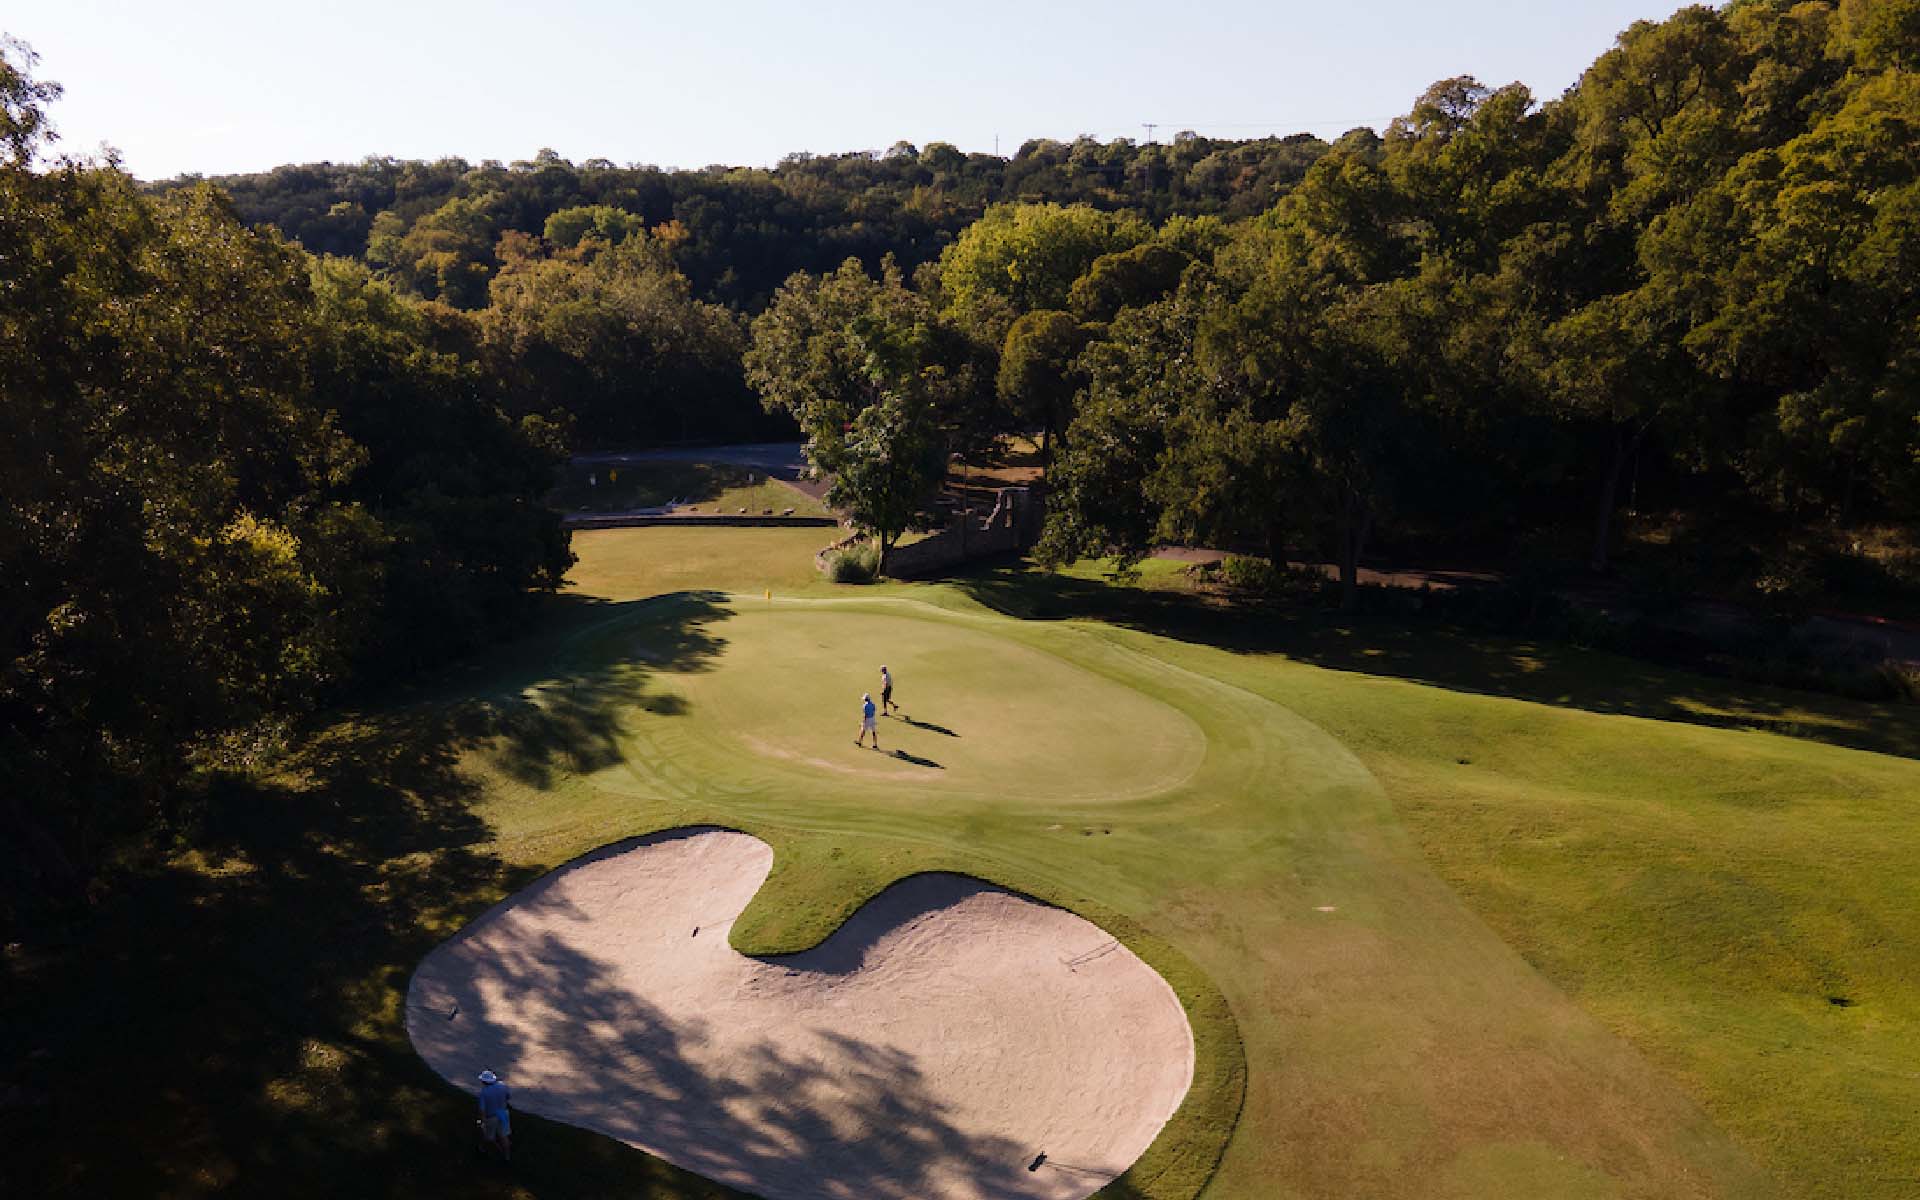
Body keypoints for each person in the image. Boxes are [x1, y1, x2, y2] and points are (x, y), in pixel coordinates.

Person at [477, 1069, 512, 1162]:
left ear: (484, 1082)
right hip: (503, 1113)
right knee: (504, 1136)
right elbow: (508, 1097)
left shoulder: (483, 1093)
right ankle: (507, 1155)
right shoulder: (502, 1086)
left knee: (489, 1137)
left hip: (491, 1117)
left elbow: (482, 1110)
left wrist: (482, 1122)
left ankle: (494, 1150)